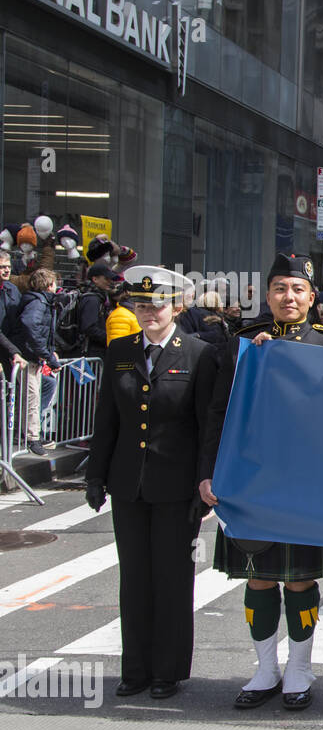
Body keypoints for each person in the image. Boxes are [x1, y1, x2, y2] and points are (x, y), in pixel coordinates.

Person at [198, 253, 323, 713]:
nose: (289, 297)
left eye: (298, 290)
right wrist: (208, 471)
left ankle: (300, 670)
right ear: (267, 296)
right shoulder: (243, 344)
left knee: (301, 579)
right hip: (252, 480)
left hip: (308, 483)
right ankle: (266, 669)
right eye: (280, 289)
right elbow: (216, 413)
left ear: (312, 297)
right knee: (259, 577)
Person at [84, 266, 220, 699]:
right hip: (129, 484)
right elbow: (108, 417)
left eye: (157, 305)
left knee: (172, 577)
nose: (148, 313)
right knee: (135, 578)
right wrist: (95, 473)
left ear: (176, 307)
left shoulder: (198, 353)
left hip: (176, 486)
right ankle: (136, 668)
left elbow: (204, 426)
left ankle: (167, 670)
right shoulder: (120, 350)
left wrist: (205, 480)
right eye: (141, 305)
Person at [14, 268, 61, 456]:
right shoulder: (38, 302)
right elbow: (30, 324)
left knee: (43, 388)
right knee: (32, 397)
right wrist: (45, 353)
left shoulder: (40, 301)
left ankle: (30, 431)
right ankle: (32, 437)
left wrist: (48, 352)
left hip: (32, 356)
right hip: (28, 358)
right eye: (55, 282)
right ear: (49, 285)